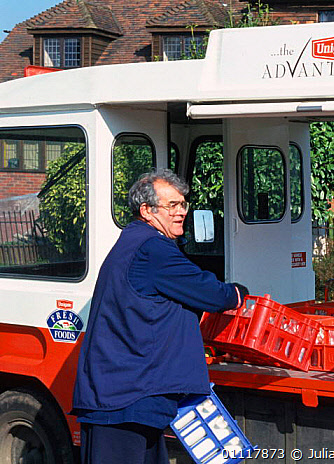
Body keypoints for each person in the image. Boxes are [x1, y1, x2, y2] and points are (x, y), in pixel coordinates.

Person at [72, 169, 248, 464]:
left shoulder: (138, 241)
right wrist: (237, 293)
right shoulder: (152, 250)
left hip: (129, 394)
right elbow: (212, 293)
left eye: (183, 204)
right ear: (147, 210)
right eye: (172, 206)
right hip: (126, 397)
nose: (180, 212)